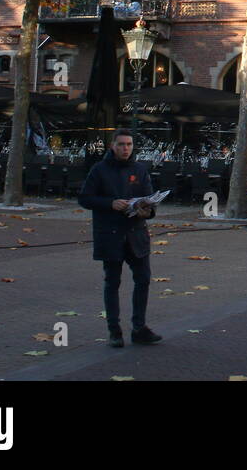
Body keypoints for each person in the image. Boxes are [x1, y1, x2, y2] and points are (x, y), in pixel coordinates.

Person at [78, 129, 162, 348]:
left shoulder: (140, 170)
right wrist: (110, 203)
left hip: (136, 235)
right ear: (112, 146)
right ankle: (114, 330)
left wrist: (147, 211)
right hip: (111, 234)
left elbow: (149, 199)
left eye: (129, 144)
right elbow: (85, 198)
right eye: (122, 144)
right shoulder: (99, 170)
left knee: (143, 279)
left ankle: (139, 327)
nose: (126, 149)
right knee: (112, 282)